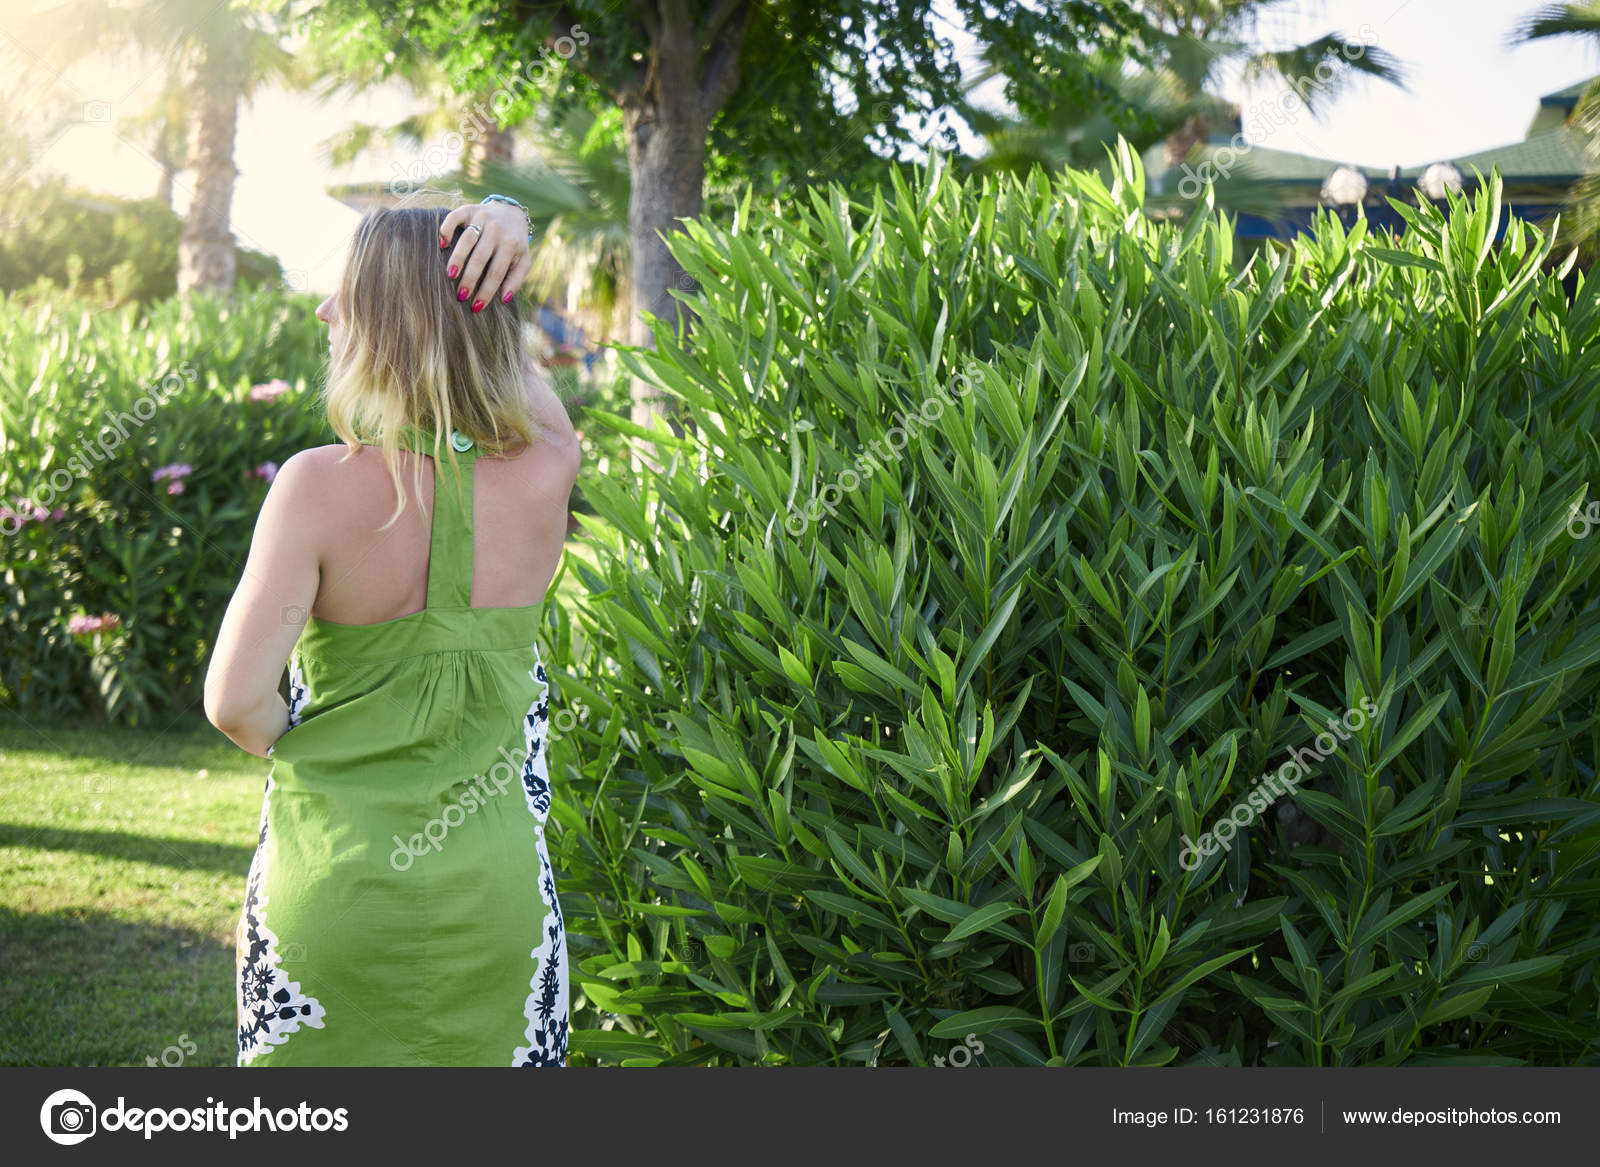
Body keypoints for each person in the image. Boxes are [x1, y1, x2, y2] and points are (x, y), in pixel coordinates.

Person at [203, 196, 582, 1066]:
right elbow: (527, 396)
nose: (327, 310)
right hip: (500, 905)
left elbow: (234, 700)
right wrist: (498, 237)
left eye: (349, 293)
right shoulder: (547, 472)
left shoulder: (314, 487)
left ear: (390, 319)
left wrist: (322, 749)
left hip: (331, 890)